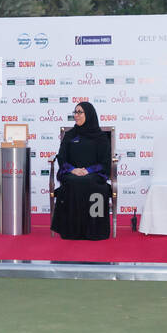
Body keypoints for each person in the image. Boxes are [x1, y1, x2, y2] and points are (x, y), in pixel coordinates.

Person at [51, 101, 112, 241]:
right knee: (72, 182)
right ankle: (72, 231)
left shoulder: (101, 137)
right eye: (75, 112)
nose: (76, 115)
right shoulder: (70, 135)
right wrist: (73, 170)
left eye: (80, 112)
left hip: (94, 175)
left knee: (91, 183)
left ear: (89, 114)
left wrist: (88, 170)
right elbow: (62, 157)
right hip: (72, 174)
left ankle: (95, 231)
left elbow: (105, 162)